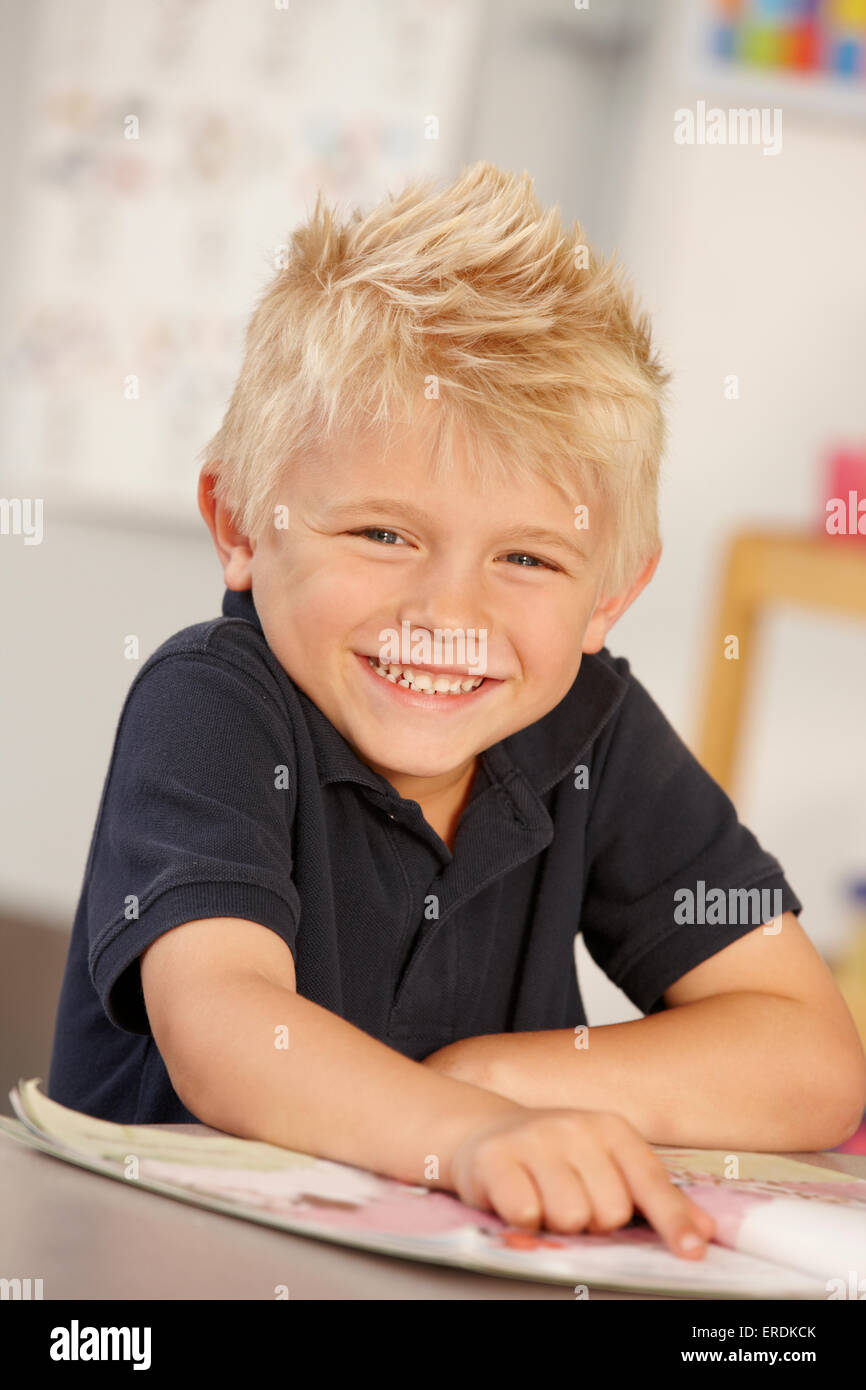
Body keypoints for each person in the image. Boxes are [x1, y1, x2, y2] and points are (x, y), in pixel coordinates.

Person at [48, 162, 866, 1262]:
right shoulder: (211, 702)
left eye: (526, 557)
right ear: (239, 524)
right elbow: (228, 1028)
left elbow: (808, 1060)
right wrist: (467, 1133)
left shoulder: (591, 729)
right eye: (382, 534)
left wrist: (498, 1074)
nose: (446, 613)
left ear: (608, 594)